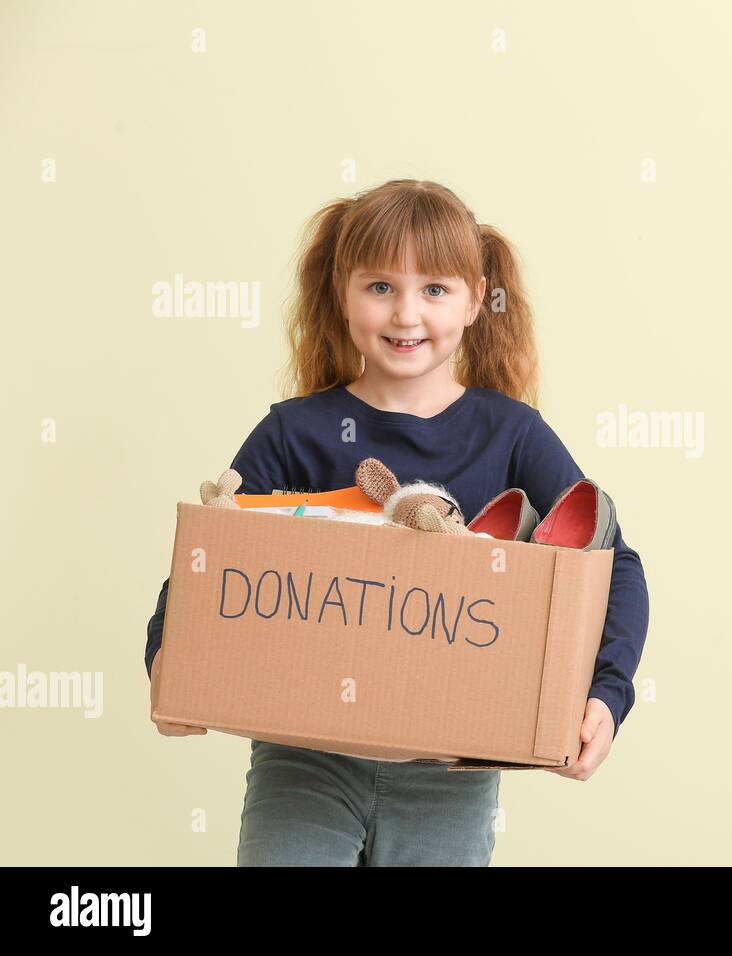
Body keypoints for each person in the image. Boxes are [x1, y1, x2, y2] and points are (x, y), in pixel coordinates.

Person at [145, 178, 651, 866]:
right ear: (341, 291)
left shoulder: (512, 436)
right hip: (304, 760)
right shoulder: (295, 432)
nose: (406, 313)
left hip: (451, 773)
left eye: (434, 290)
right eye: (379, 286)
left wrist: (608, 694)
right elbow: (213, 554)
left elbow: (614, 559)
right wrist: (168, 657)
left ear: (476, 299)